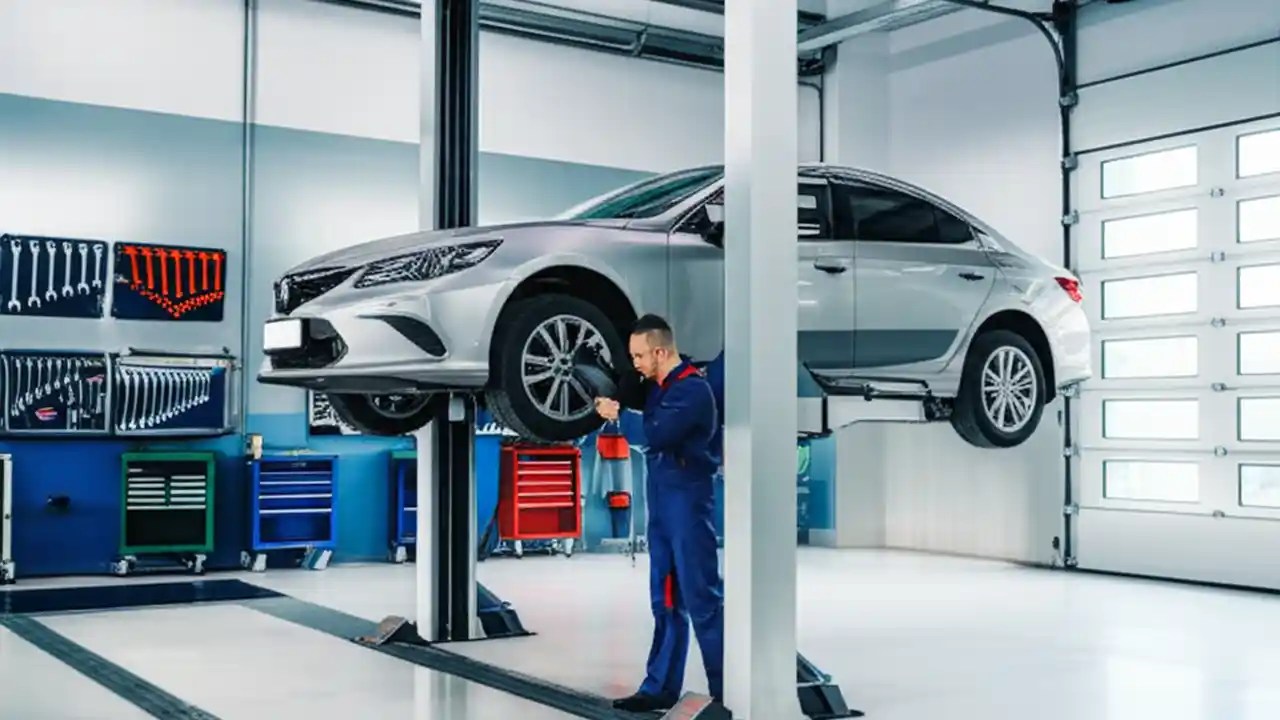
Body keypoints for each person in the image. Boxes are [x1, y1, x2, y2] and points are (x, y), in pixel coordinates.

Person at [594, 314, 725, 712]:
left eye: (639, 355)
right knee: (665, 600)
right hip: (662, 504)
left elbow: (655, 434)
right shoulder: (660, 388)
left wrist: (618, 415)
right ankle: (658, 689)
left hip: (687, 504)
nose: (634, 362)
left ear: (661, 351)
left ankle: (729, 690)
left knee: (702, 599)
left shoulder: (692, 391)